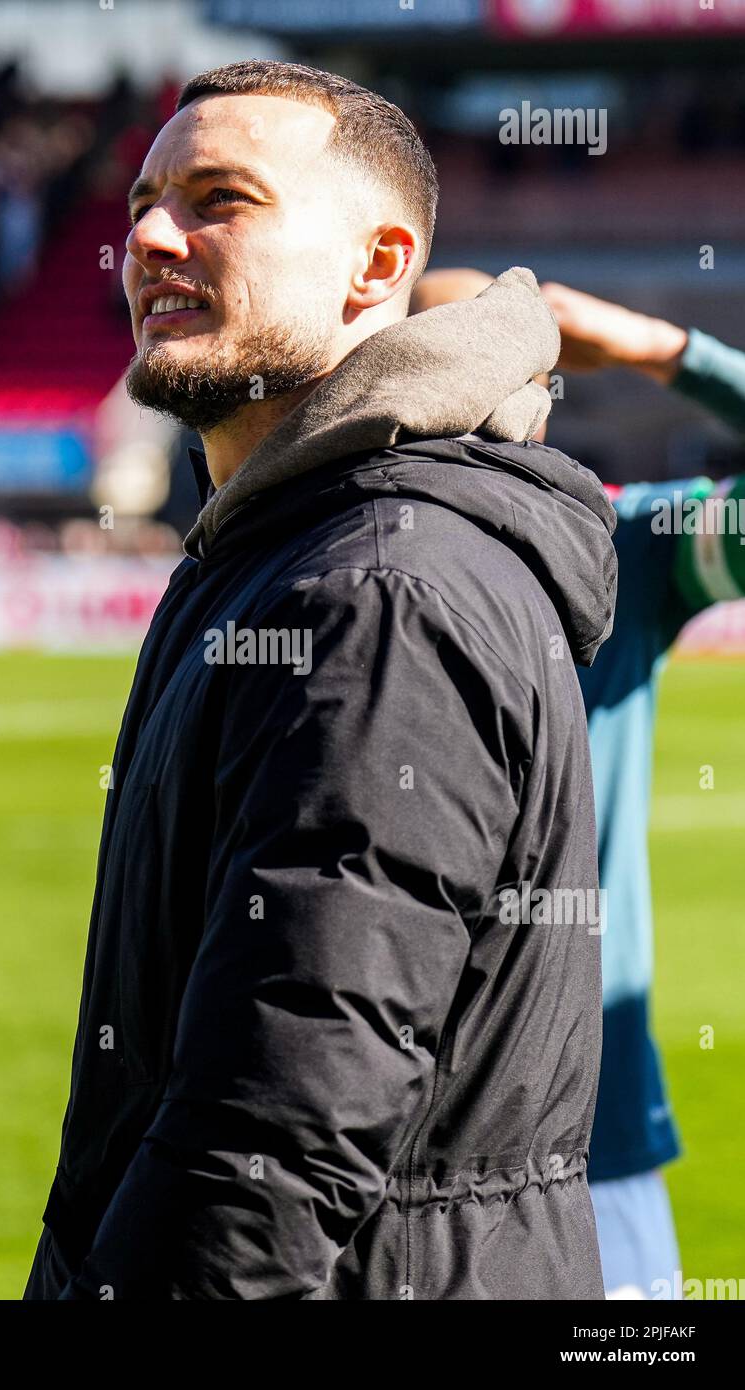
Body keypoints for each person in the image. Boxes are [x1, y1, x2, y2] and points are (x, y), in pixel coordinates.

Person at [24, 60, 617, 1301]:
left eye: (219, 200)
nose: (144, 237)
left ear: (373, 265)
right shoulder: (285, 546)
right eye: (141, 201)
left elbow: (274, 1134)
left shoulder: (377, 591)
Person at [412, 269, 745, 1299]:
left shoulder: (616, 548)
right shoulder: (338, 550)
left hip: (583, 1128)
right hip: (376, 1140)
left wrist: (663, 348)